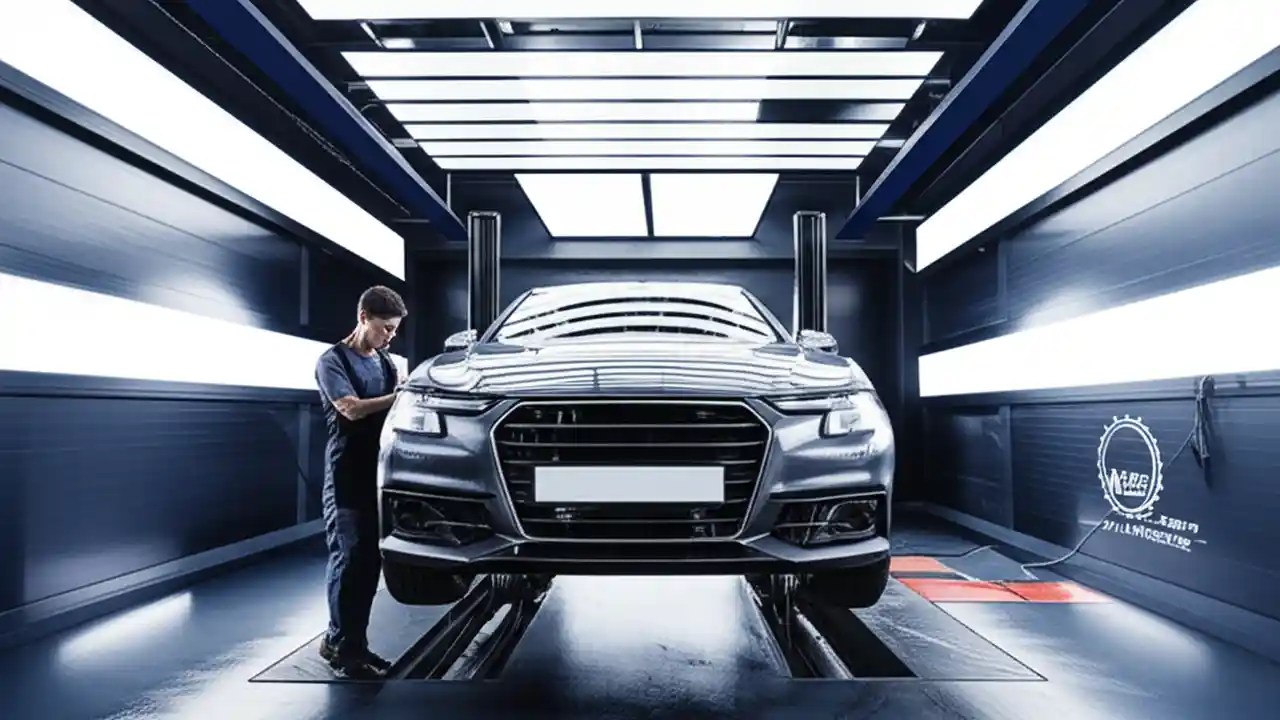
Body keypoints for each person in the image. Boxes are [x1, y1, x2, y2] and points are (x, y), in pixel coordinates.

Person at [313, 285, 408, 678]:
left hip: (377, 476)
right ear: (363, 317)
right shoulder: (332, 361)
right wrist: (398, 396)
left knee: (369, 563)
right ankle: (338, 644)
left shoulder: (385, 364)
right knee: (348, 559)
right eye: (385, 328)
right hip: (345, 476)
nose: (390, 336)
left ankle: (356, 645)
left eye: (395, 330)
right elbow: (350, 410)